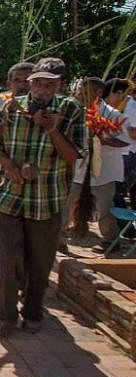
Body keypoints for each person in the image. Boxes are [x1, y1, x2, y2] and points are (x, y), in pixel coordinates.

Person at [0, 58, 86, 336]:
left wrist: (53, 130)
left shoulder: (70, 111)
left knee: (40, 261)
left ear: (59, 86)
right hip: (10, 196)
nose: (42, 91)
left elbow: (74, 156)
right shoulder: (12, 107)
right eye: (38, 83)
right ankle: (4, 315)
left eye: (49, 85)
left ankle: (32, 311)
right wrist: (10, 167)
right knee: (9, 259)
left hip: (47, 199)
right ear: (30, 83)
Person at [0, 62, 33, 304]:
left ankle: (21, 287)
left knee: (26, 241)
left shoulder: (51, 110)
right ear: (9, 83)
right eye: (17, 81)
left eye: (27, 80)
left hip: (34, 189)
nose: (22, 85)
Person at [65, 77, 128, 252]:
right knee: (68, 204)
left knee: (104, 206)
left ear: (99, 92)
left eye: (86, 91)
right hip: (79, 168)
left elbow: (126, 141)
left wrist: (104, 140)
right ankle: (59, 238)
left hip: (103, 170)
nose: (81, 95)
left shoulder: (113, 115)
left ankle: (110, 240)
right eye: (80, 91)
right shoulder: (75, 112)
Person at [105, 79, 136, 225]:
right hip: (121, 154)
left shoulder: (131, 107)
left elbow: (133, 134)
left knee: (116, 192)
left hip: (128, 154)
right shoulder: (119, 107)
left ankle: (125, 228)